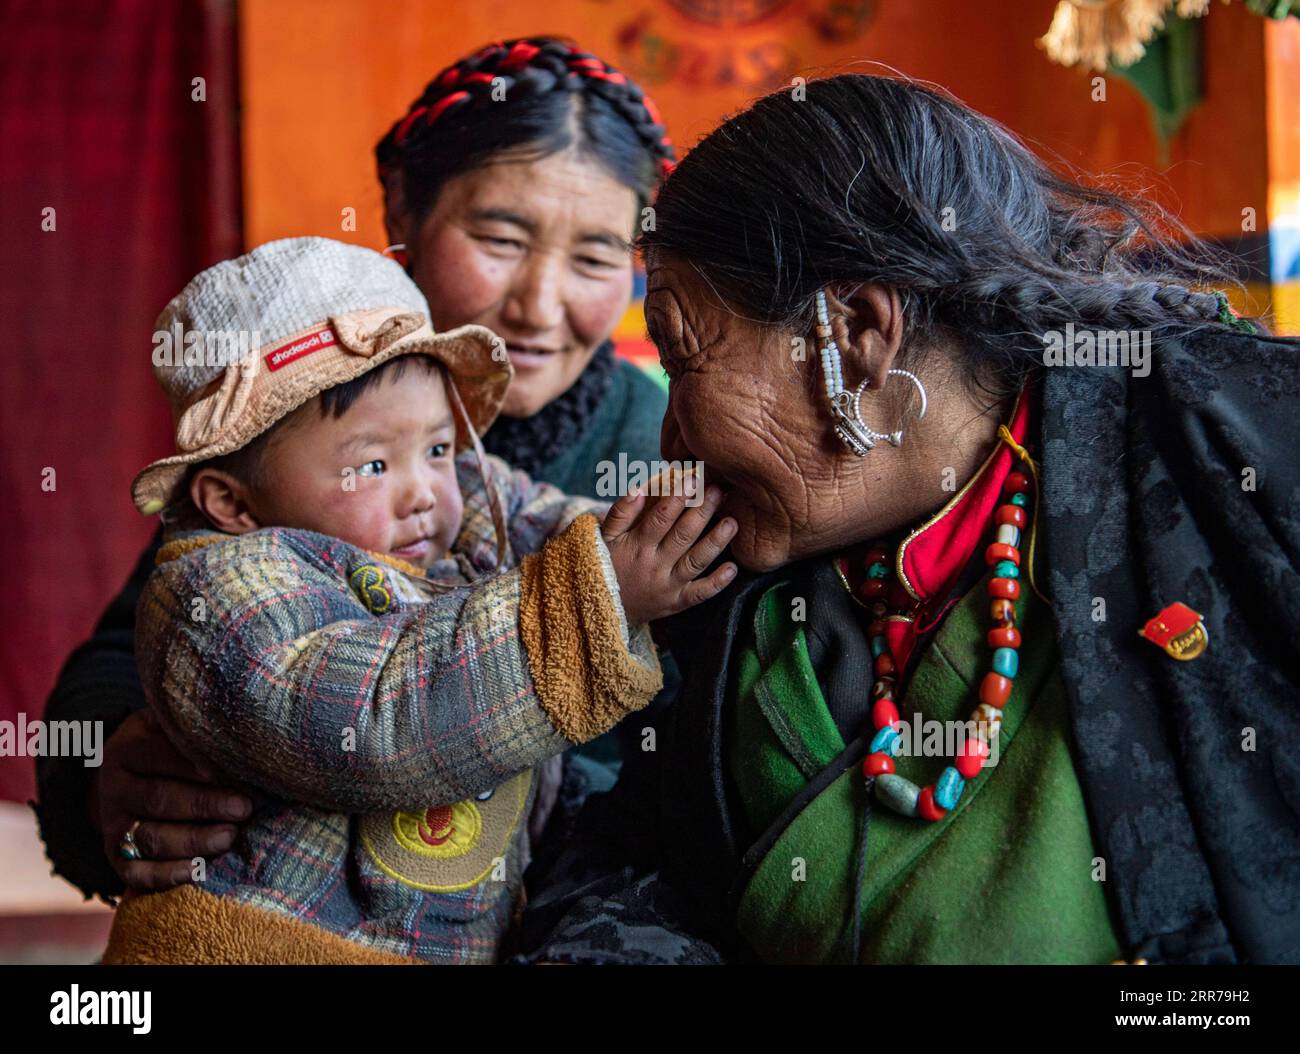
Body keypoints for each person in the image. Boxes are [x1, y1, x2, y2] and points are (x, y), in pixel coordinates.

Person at [517, 74, 1300, 965]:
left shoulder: (1231, 459)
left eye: (683, 358)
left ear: (854, 331)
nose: (670, 439)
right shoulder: (741, 580)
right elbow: (634, 860)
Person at [35, 37, 676, 903]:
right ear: (402, 209)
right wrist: (110, 768)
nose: (538, 303)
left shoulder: (670, 449)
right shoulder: (291, 419)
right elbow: (132, 641)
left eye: (596, 257)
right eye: (499, 236)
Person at [101, 237, 734, 963]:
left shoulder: (450, 506)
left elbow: (562, 528)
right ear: (232, 501)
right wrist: (604, 593)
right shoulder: (220, 596)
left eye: (436, 448)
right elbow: (379, 714)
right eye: (371, 464)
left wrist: (669, 540)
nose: (425, 492)